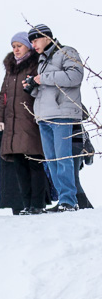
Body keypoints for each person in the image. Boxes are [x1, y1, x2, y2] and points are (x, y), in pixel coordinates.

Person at [29, 24, 86, 212]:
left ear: (47, 37)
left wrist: (43, 78)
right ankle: (63, 199)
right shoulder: (42, 60)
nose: (33, 45)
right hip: (44, 115)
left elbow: (75, 76)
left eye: (35, 40)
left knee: (63, 158)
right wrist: (32, 87)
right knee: (52, 160)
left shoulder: (67, 52)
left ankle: (69, 200)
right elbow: (47, 86)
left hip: (62, 114)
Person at [0, 32, 50, 215]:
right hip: (12, 124)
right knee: (19, 166)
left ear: (28, 46)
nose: (16, 50)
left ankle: (37, 204)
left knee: (34, 163)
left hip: (30, 121)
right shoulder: (10, 69)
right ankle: (27, 204)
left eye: (19, 46)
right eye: (13, 46)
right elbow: (3, 96)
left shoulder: (36, 64)